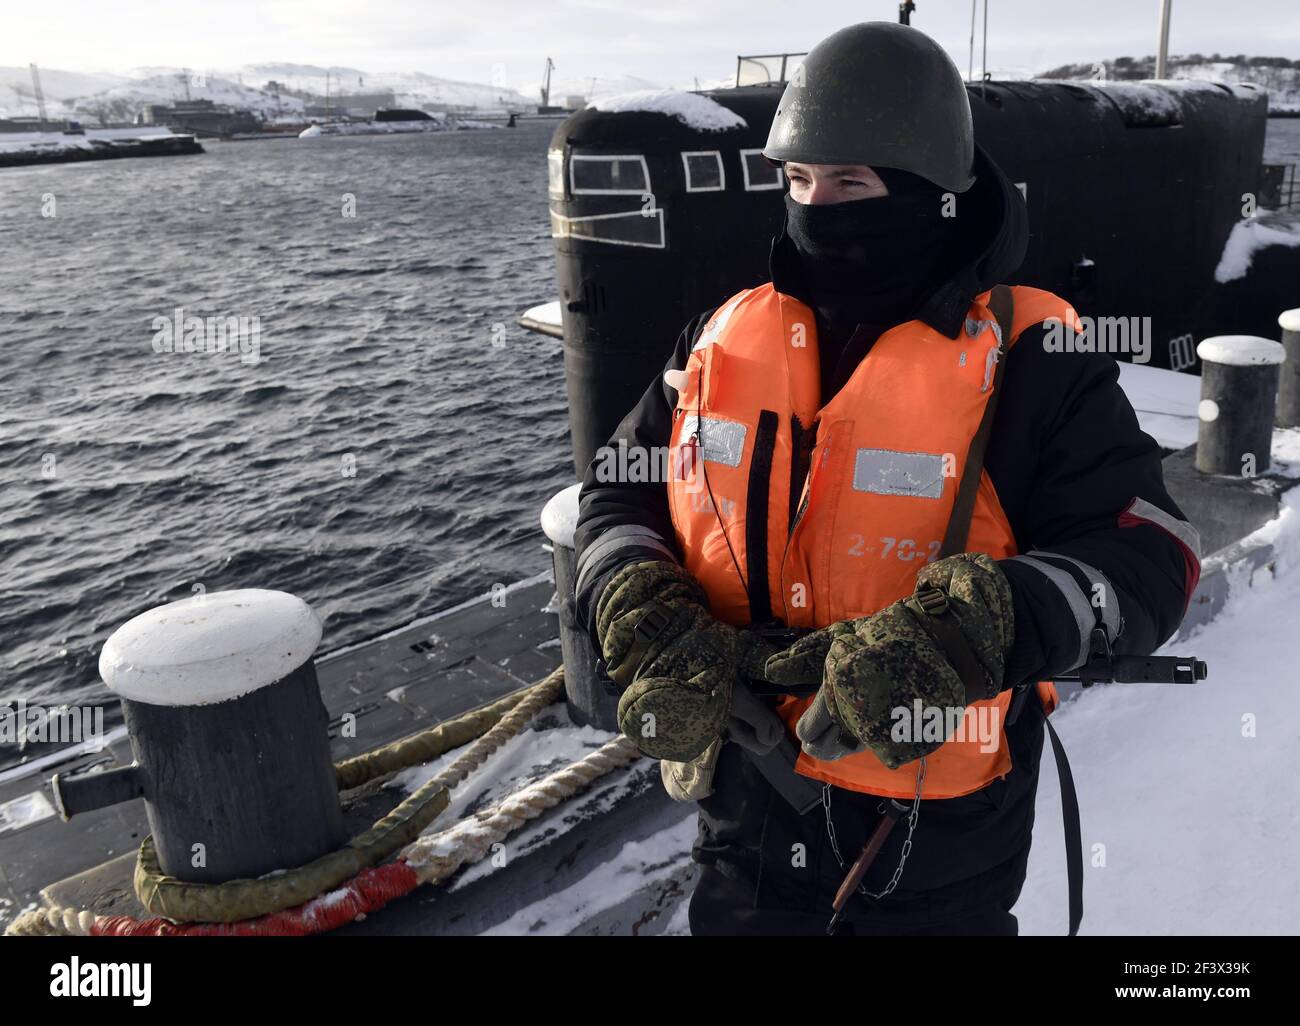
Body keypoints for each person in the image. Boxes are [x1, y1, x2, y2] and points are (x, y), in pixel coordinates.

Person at [571, 21, 1201, 936]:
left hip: (935, 839)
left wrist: (974, 629)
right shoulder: (718, 340)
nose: (817, 206)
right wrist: (634, 592)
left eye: (851, 183)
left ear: (931, 194)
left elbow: (1152, 554)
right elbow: (619, 492)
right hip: (743, 812)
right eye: (798, 180)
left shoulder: (1032, 358)